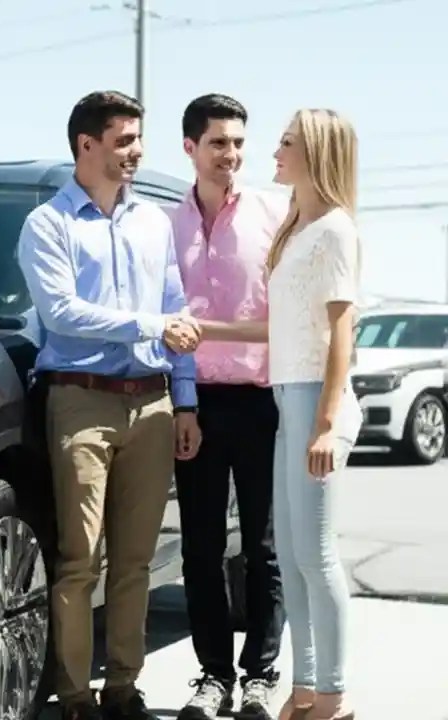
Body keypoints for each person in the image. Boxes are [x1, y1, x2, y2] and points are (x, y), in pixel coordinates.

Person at [17, 90, 201, 720]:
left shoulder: (154, 223)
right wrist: (149, 325)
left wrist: (186, 400)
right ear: (86, 145)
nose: (136, 152)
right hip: (80, 401)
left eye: (138, 140)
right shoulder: (48, 226)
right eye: (124, 141)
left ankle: (123, 688)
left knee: (135, 561)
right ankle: (73, 696)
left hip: (151, 407)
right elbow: (61, 312)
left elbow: (179, 315)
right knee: (79, 559)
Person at [192, 108, 363, 720]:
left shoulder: (336, 231)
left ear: (315, 152)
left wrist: (324, 422)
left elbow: (341, 332)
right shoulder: (296, 230)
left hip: (315, 397)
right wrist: (204, 328)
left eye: (286, 143)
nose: (273, 152)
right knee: (288, 557)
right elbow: (277, 326)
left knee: (316, 555)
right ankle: (305, 688)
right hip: (284, 396)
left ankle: (334, 696)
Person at [168, 94, 288, 720]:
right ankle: (212, 676)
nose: (232, 155)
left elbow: (293, 313)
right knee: (200, 546)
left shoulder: (274, 211)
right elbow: (168, 323)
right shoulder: (165, 224)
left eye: (239, 143)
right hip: (196, 405)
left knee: (263, 547)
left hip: (265, 403)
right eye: (218, 143)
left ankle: (261, 677)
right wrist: (183, 405)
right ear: (190, 147)